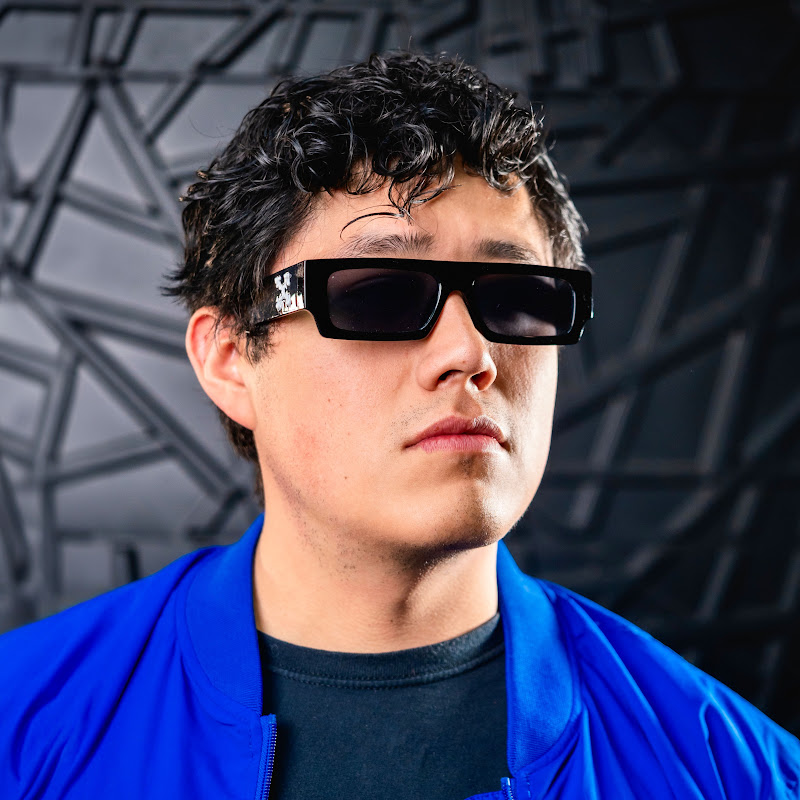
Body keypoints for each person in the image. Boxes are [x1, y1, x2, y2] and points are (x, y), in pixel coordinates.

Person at [0, 51, 797, 800]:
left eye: (518, 297)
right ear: (232, 359)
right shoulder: (27, 728)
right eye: (379, 293)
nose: (470, 354)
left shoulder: (735, 773)